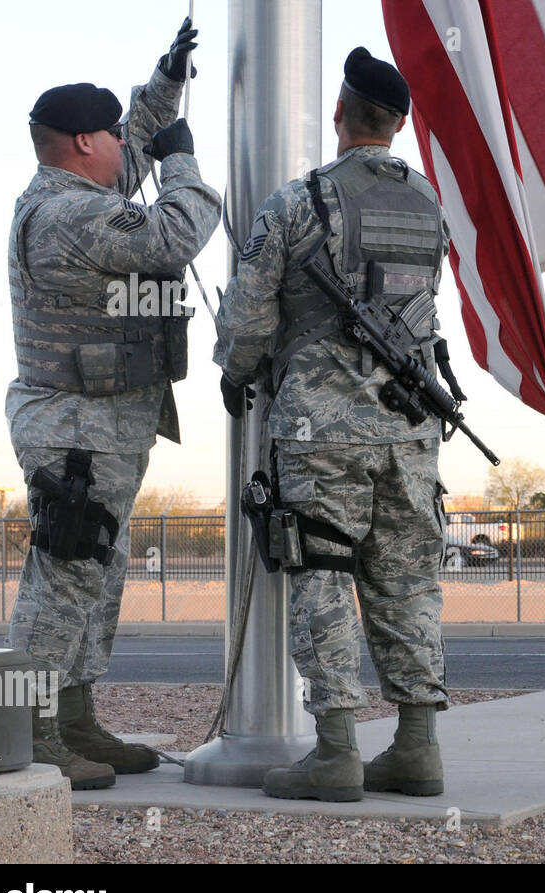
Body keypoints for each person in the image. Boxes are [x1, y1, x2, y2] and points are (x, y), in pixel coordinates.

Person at [215, 48, 452, 802]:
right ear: (400, 125)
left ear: (342, 114)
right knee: (408, 582)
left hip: (322, 431)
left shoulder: (299, 201)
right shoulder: (427, 205)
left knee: (322, 573)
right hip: (411, 426)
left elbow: (248, 314)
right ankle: (417, 745)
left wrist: (237, 366)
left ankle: (337, 750)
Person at [6, 18, 220, 790]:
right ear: (83, 145)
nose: (125, 152)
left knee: (94, 577)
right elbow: (173, 233)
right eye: (112, 138)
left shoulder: (74, 187)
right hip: (76, 432)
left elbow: (134, 142)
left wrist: (164, 83)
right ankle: (24, 731)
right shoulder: (71, 216)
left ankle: (74, 719)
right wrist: (184, 159)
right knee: (64, 577)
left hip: (96, 429)